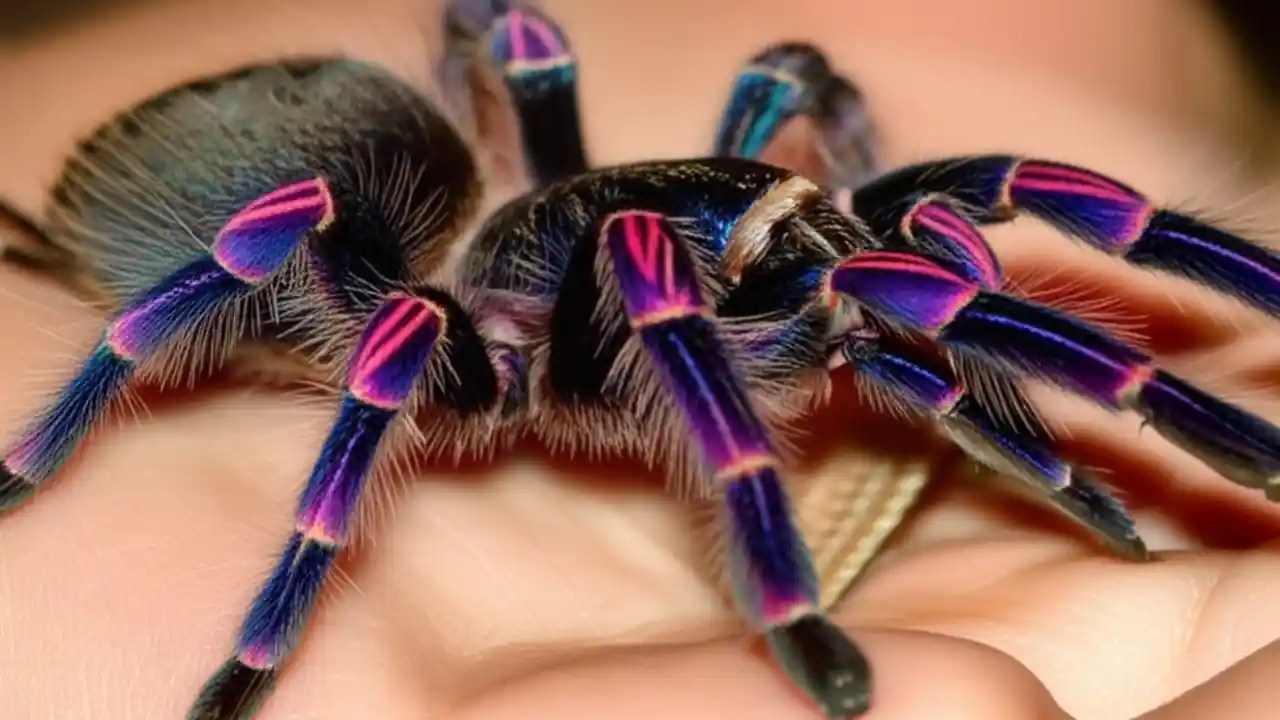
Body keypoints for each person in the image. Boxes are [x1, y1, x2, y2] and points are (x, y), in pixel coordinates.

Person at [2, 0, 1279, 717]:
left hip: (366, 150)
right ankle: (782, 595)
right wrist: (266, 636)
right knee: (355, 204)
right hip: (216, 200)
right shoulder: (450, 325)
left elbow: (818, 125)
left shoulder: (802, 240)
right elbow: (643, 294)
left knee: (945, 179)